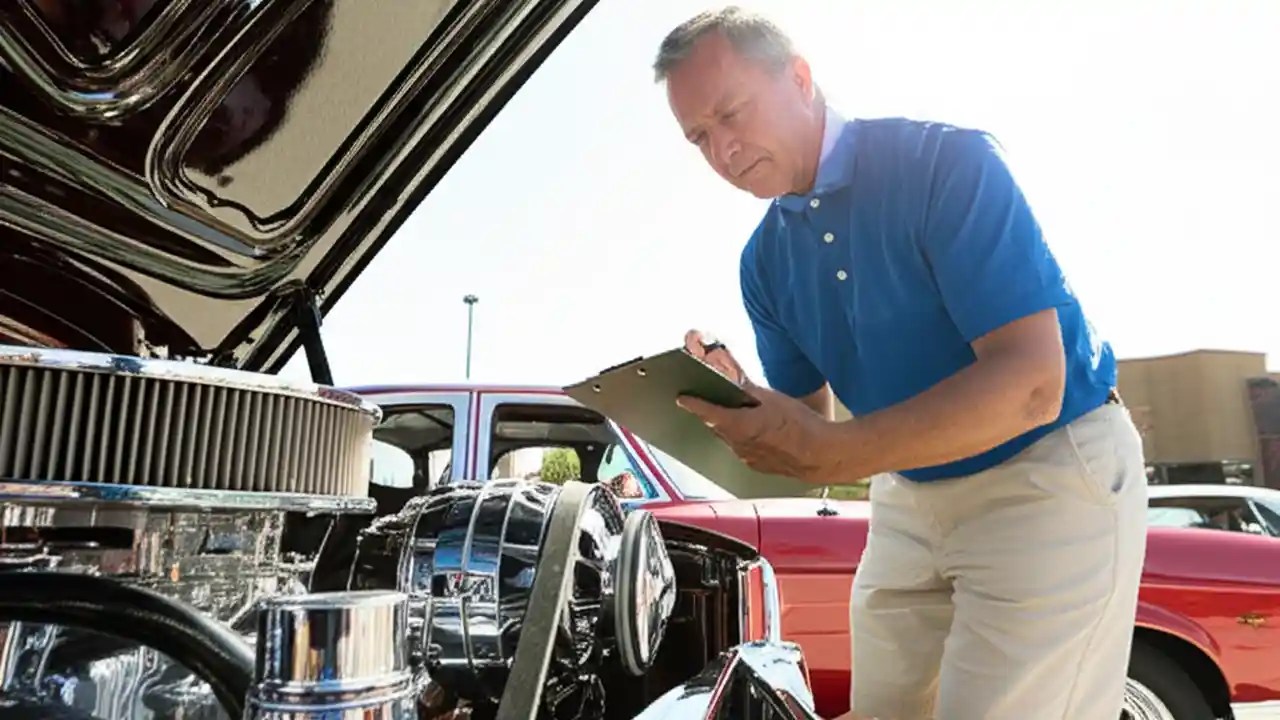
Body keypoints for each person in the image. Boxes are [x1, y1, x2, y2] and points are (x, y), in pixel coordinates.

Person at [651, 7, 1148, 720]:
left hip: (1046, 469)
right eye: (699, 136)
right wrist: (739, 404)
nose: (722, 149)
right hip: (907, 499)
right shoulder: (763, 261)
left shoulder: (947, 164)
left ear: (799, 78)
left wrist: (836, 450)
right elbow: (805, 424)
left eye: (731, 113)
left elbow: (1034, 386)